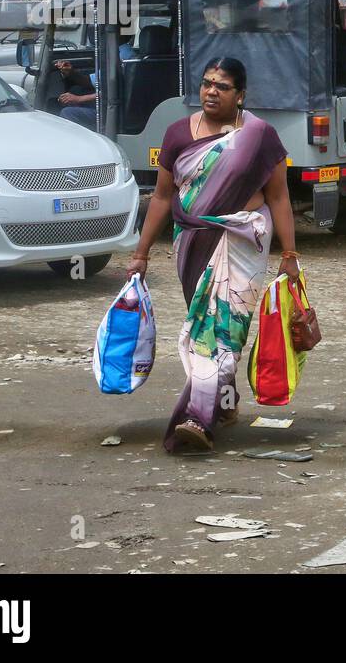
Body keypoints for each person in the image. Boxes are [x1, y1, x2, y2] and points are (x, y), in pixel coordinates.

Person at [126, 57, 298, 454]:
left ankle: (197, 418)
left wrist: (289, 253)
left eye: (222, 86)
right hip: (192, 246)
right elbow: (164, 198)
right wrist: (141, 253)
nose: (211, 92)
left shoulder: (259, 136)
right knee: (208, 327)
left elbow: (279, 197)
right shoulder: (175, 135)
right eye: (207, 84)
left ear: (240, 95)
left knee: (223, 330)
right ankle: (226, 400)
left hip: (242, 244)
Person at [56, 60, 97, 129]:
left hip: (109, 110)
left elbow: (110, 94)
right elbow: (89, 82)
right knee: (75, 90)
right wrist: (70, 72)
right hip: (101, 101)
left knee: (67, 113)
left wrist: (79, 99)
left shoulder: (116, 59)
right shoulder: (111, 58)